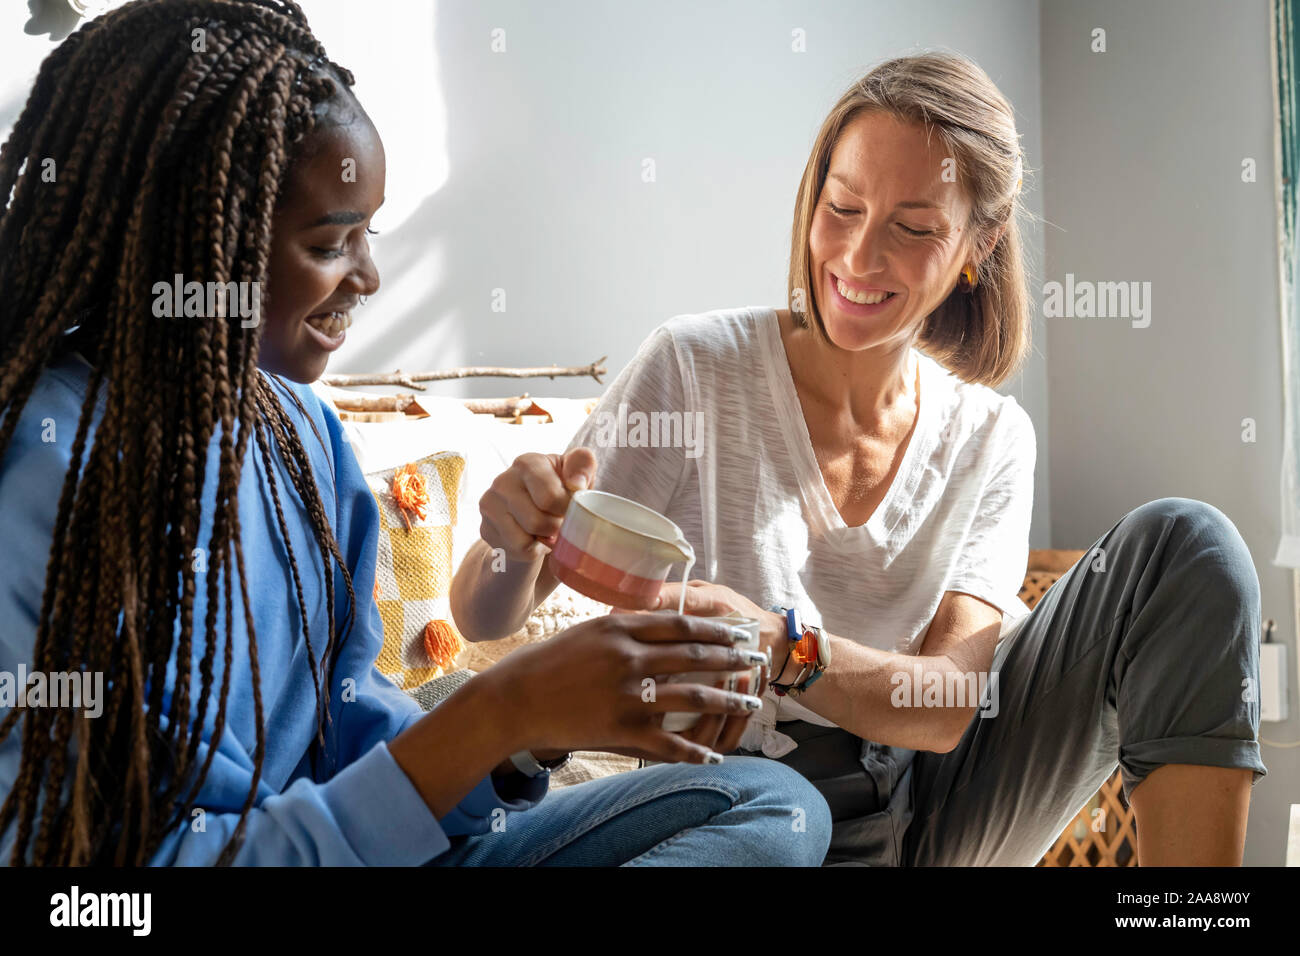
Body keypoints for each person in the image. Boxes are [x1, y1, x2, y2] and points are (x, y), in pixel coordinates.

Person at [0, 0, 831, 867]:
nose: (370, 274)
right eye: (331, 243)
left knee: (770, 805)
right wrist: (497, 710)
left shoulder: (301, 435)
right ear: (193, 242)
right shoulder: (47, 476)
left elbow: (362, 742)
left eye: (371, 231)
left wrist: (531, 734)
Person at [451, 51, 1268, 866]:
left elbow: (949, 702)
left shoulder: (991, 437)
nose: (858, 257)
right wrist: (510, 542)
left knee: (1189, 546)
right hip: (747, 810)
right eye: (841, 207)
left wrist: (781, 643)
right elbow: (486, 615)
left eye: (913, 229)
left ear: (976, 247)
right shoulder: (694, 368)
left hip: (937, 803)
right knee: (787, 811)